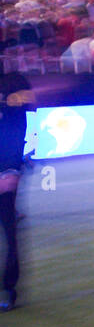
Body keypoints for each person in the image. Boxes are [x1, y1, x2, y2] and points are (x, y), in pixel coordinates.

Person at [0, 67, 34, 312]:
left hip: (7, 166)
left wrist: (29, 153)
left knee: (10, 231)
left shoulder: (14, 79)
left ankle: (9, 289)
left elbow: (32, 109)